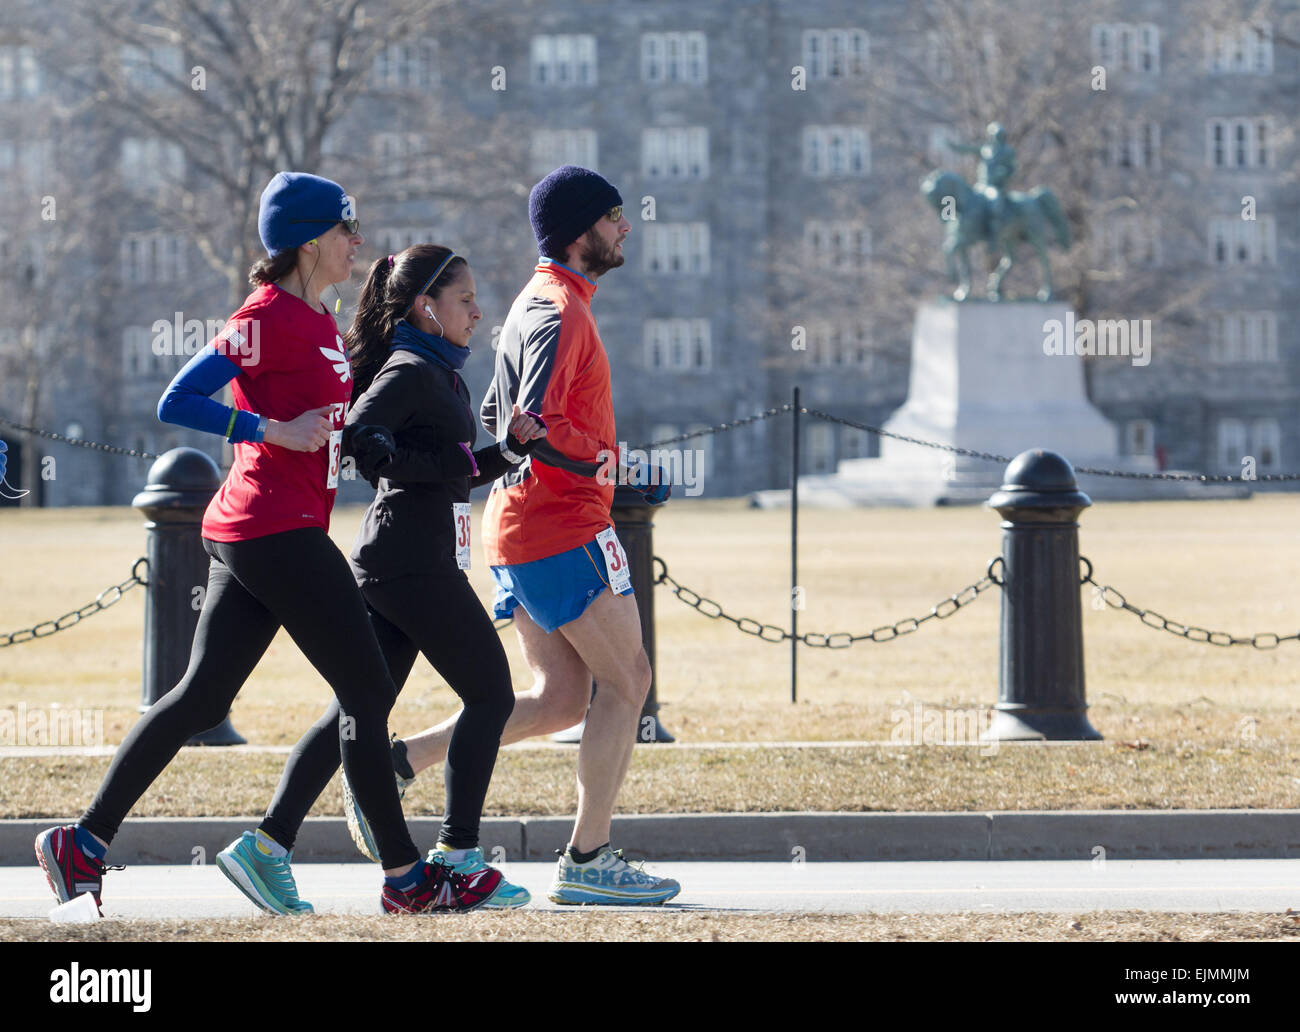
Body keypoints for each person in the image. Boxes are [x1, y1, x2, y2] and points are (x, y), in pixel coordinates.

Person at [34, 172, 484, 917]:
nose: (358, 242)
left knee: (204, 696)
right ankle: (406, 878)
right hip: (273, 527)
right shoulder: (267, 315)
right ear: (309, 240)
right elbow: (176, 397)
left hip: (262, 530)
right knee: (368, 692)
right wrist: (266, 429)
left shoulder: (317, 318)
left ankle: (83, 843)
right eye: (346, 229)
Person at [346, 165, 680, 905]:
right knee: (629, 682)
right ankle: (589, 862)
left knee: (561, 700)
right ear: (579, 230)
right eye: (614, 215)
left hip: (528, 521)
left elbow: (506, 420)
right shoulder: (559, 308)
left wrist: (602, 473)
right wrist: (601, 473)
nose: (625, 227)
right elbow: (529, 424)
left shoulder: (543, 299)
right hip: (558, 526)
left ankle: (403, 763)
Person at [240, 244, 547, 912]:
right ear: (425, 307)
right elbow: (365, 440)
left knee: (358, 708)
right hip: (411, 564)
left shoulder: (439, 371)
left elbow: (450, 467)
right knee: (491, 695)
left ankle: (266, 844)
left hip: (398, 562)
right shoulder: (411, 368)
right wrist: (417, 460)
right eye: (465, 300)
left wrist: (510, 450)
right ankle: (458, 857)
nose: (477, 312)